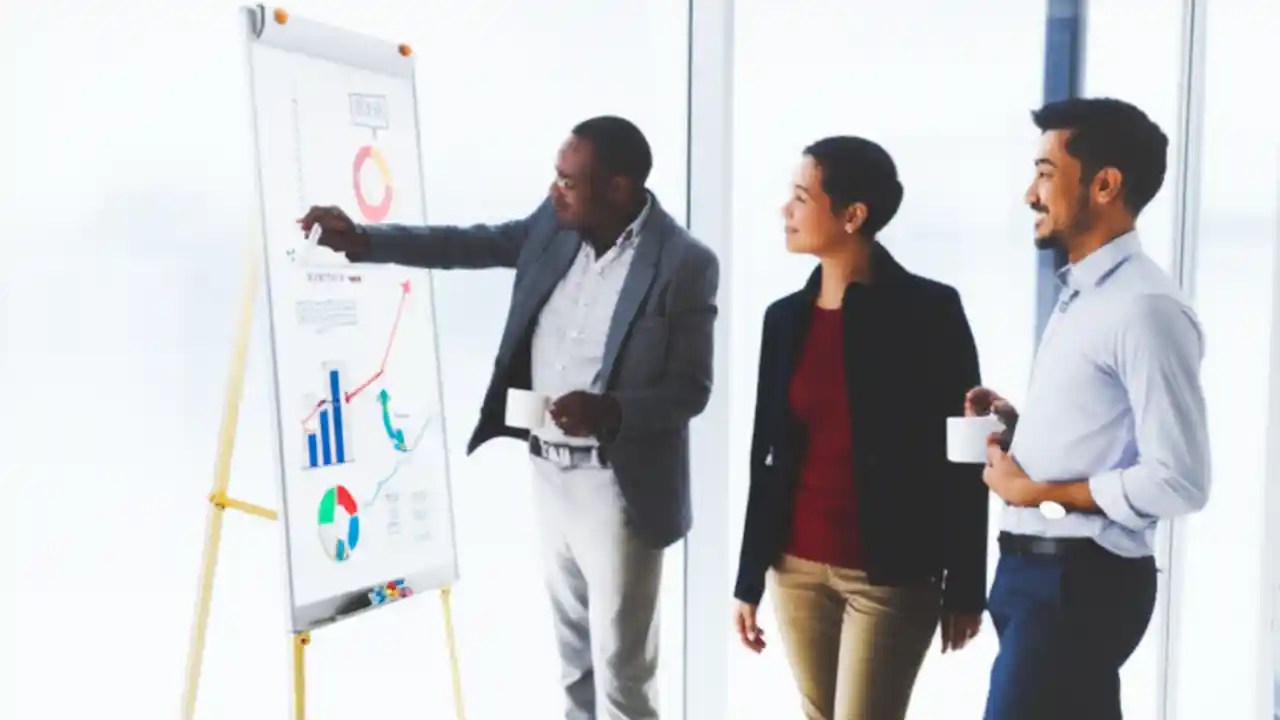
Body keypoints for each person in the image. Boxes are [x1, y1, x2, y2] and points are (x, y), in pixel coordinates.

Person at [300, 116, 719, 720]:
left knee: (623, 675)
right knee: (574, 664)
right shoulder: (556, 223)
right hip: (548, 473)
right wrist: (365, 239)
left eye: (570, 181)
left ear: (620, 188)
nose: (555, 191)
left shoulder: (683, 262)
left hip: (616, 483)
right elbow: (472, 243)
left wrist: (610, 410)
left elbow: (690, 389)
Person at [732, 136, 989, 720]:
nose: (785, 211)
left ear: (853, 216)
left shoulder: (931, 312)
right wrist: (749, 577)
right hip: (794, 567)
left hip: (891, 573)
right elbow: (765, 457)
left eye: (801, 197)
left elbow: (966, 453)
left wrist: (967, 584)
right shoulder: (784, 319)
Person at [970, 97, 1211, 720]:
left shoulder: (1144, 307)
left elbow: (1178, 480)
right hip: (1035, 578)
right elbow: (1105, 434)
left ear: (1105, 184)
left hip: (1077, 582)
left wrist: (1037, 491)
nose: (1030, 193)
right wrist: (1023, 430)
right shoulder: (1085, 293)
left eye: (1046, 172)